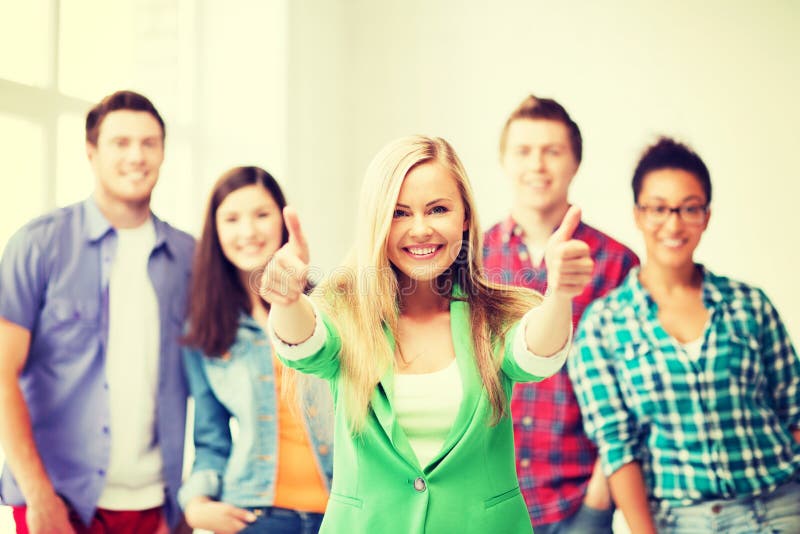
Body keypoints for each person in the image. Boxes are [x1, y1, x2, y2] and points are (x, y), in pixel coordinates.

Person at [260, 135, 594, 533]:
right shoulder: (347, 309)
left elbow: (535, 355)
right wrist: (286, 301)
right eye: (399, 213)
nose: (420, 229)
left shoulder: (491, 316)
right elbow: (304, 345)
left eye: (437, 209)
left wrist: (559, 294)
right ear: (377, 221)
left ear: (465, 217)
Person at [568, 137, 800, 533]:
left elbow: (793, 410)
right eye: (659, 208)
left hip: (779, 506)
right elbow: (618, 449)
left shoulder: (750, 304)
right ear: (638, 214)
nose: (673, 224)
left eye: (689, 208)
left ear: (706, 216)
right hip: (680, 520)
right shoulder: (603, 324)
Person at [0, 90, 194, 533]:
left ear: (163, 153)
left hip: (156, 507)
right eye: (120, 143)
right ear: (91, 152)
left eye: (149, 143)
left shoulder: (189, 257)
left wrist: (185, 504)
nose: (137, 156)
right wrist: (39, 498)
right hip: (58, 502)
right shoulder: (38, 244)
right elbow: (1, 373)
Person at [483, 94, 639, 532]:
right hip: (488, 503)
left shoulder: (616, 263)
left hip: (578, 507)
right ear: (504, 161)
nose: (538, 165)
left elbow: (631, 394)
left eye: (552, 152)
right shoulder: (470, 259)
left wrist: (597, 501)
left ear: (575, 163)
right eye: (524, 151)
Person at [179, 166, 333, 534]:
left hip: (341, 511)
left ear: (282, 220)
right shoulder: (207, 330)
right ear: (215, 231)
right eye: (232, 218)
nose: (248, 231)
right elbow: (211, 439)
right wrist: (195, 503)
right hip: (254, 517)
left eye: (261, 215)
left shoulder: (329, 307)